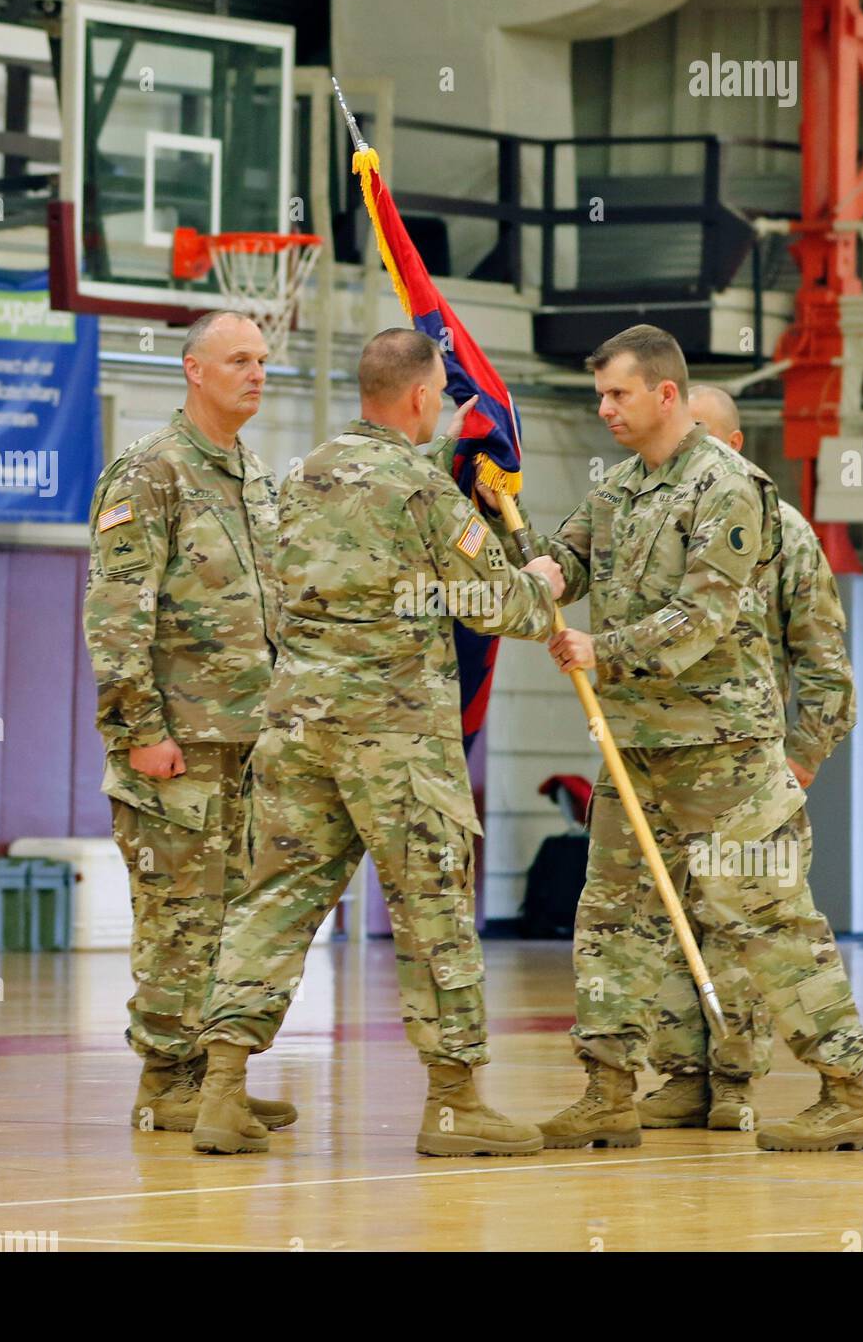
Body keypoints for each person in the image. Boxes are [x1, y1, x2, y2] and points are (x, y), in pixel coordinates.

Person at [482, 324, 863, 1153]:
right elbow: (571, 556)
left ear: (665, 393)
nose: (604, 410)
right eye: (598, 395)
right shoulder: (622, 486)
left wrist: (606, 650)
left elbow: (704, 617)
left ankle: (846, 1091)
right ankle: (608, 1089)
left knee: (767, 918)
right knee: (613, 921)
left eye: (617, 394)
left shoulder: (729, 488)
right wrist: (543, 573)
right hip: (636, 750)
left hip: (723, 753)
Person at [190, 328, 565, 1157]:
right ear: (424, 397)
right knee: (434, 912)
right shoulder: (421, 492)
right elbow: (497, 608)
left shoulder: (299, 475)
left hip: (296, 727)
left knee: (273, 903)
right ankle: (457, 1100)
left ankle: (219, 1089)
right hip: (393, 740)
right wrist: (543, 579)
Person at [83, 311, 294, 1136]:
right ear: (193, 370)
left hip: (252, 741)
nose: (256, 372)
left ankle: (217, 1085)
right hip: (177, 744)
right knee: (179, 918)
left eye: (264, 360)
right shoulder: (150, 473)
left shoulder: (255, 476)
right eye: (239, 359)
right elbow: (115, 615)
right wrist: (140, 728)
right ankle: (165, 1083)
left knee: (236, 917)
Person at [637, 383, 858, 1132]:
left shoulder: (784, 533)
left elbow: (825, 662)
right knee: (671, 925)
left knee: (749, 924)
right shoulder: (653, 520)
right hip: (663, 758)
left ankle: (736, 1078)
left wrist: (802, 758)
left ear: (730, 447)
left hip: (744, 763)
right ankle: (682, 1075)